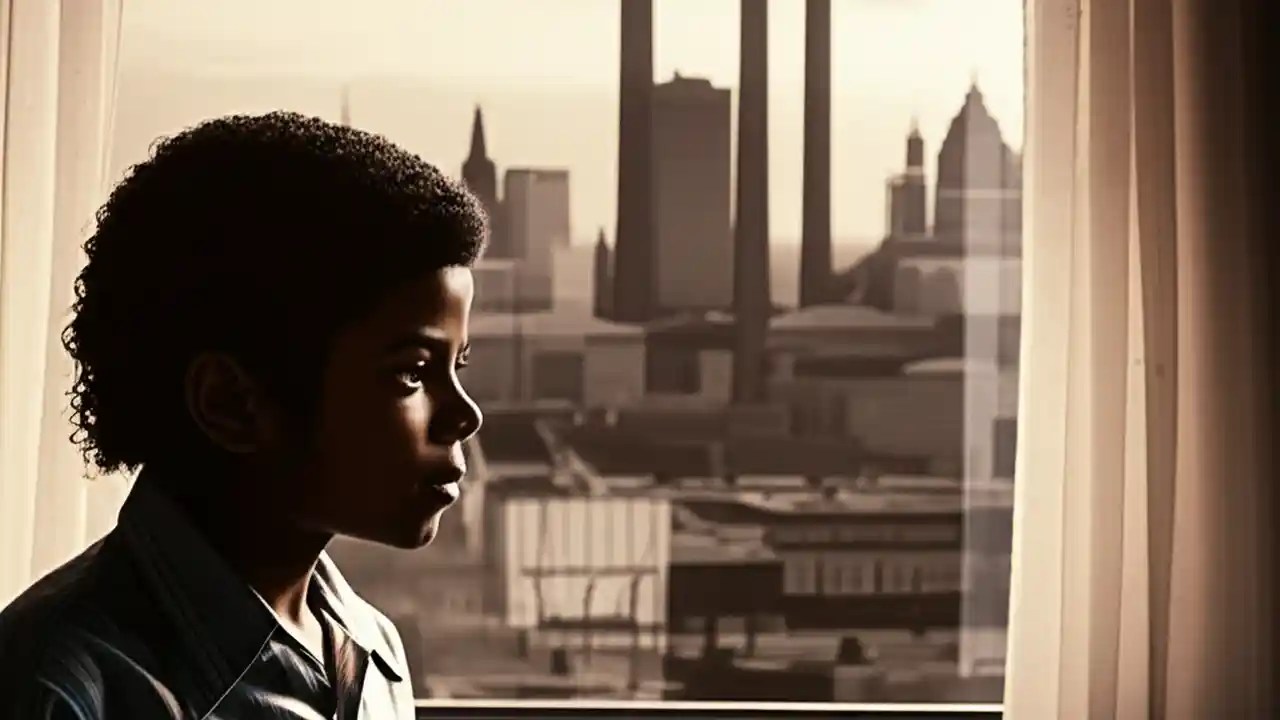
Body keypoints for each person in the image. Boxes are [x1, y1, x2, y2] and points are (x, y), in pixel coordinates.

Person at [0, 111, 486, 719]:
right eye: (412, 372)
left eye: (458, 366)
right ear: (229, 404)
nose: (465, 416)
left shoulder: (374, 653)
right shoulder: (64, 691)